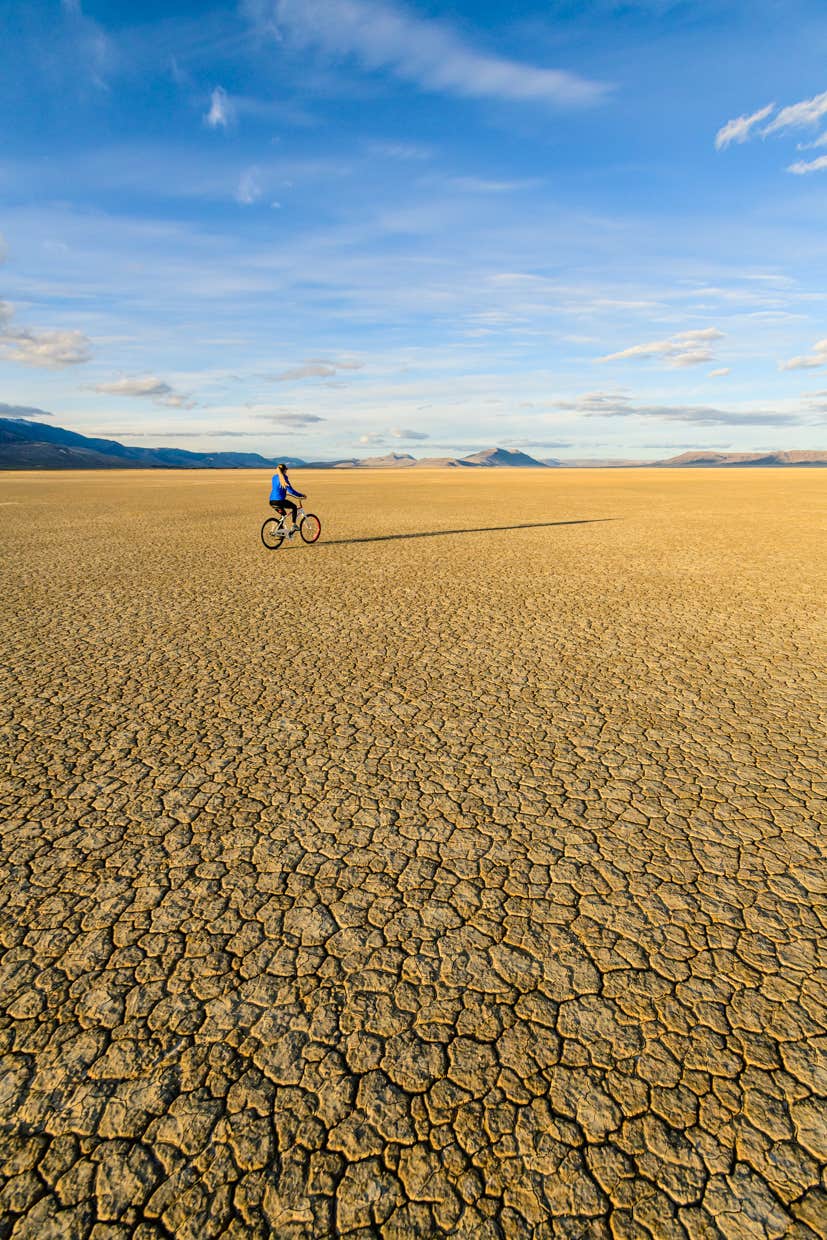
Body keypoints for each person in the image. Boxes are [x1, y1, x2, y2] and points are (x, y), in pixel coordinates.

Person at [269, 462, 306, 536]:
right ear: (284, 470)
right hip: (279, 501)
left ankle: (279, 531)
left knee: (283, 514)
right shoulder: (284, 478)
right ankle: (294, 525)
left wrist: (285, 493)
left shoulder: (274, 477)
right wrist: (300, 495)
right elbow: (291, 490)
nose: (286, 471)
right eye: (286, 470)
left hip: (272, 501)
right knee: (294, 507)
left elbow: (277, 489)